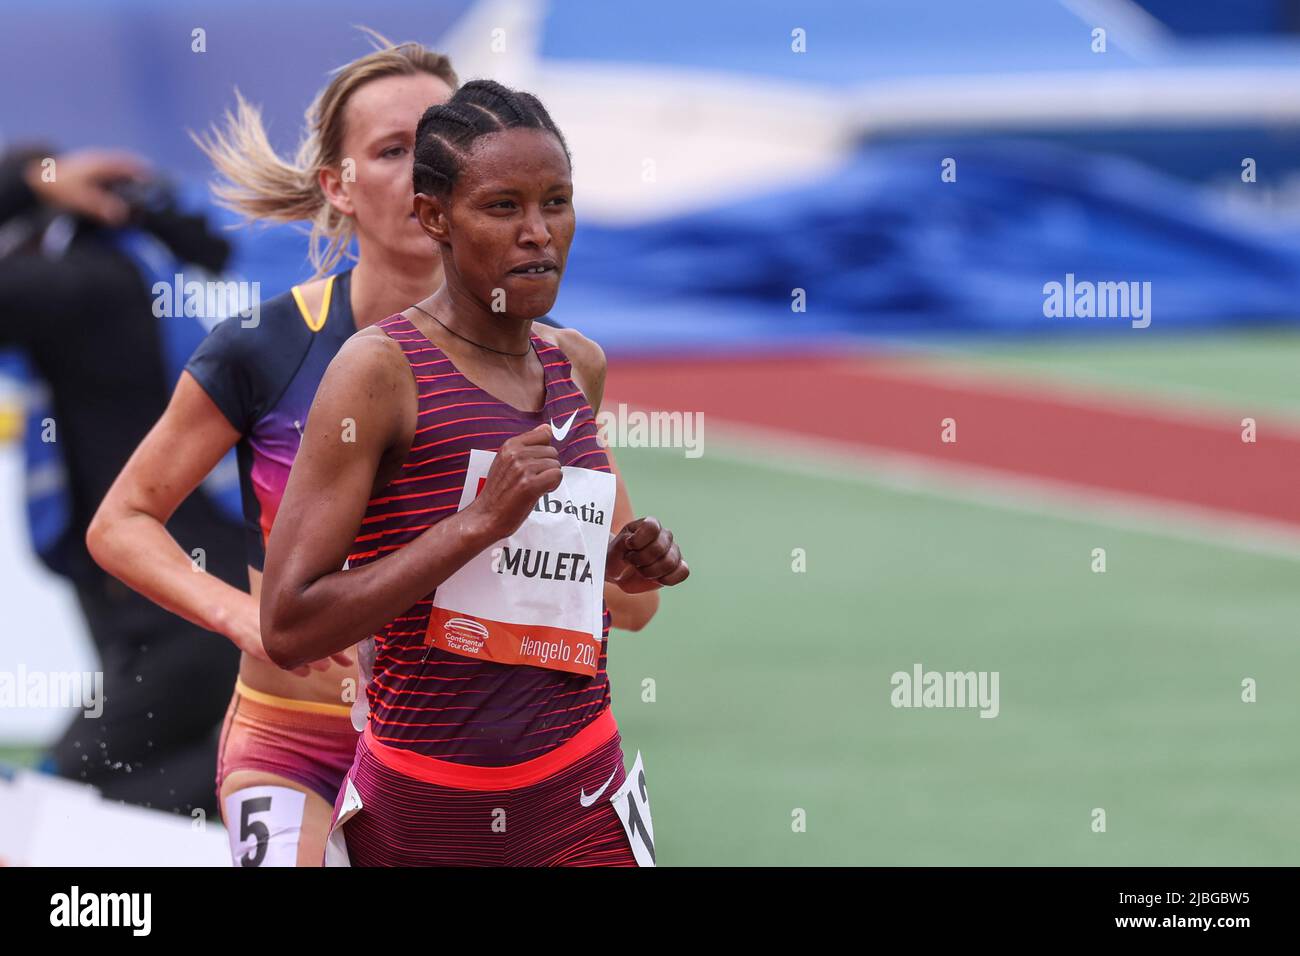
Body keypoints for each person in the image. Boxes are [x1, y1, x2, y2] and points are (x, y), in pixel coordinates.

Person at [89, 34, 658, 868]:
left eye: (437, 149)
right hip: (297, 744)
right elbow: (122, 521)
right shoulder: (264, 348)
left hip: (463, 756)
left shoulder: (549, 361)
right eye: (394, 152)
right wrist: (245, 619)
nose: (422, 173)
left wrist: (606, 569)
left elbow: (630, 604)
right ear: (338, 185)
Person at [260, 79, 689, 867]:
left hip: (581, 796)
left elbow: (538, 585)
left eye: (556, 202)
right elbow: (289, 627)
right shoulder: (378, 372)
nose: (538, 233)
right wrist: (478, 524)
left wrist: (610, 562)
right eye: (502, 207)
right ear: (434, 218)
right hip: (423, 811)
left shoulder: (577, 364)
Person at [0, 144, 246, 816]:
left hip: (181, 615)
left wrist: (27, 182)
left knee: (57, 807)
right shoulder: (138, 276)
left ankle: (303, 773)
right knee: (105, 800)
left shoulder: (87, 286)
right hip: (170, 603)